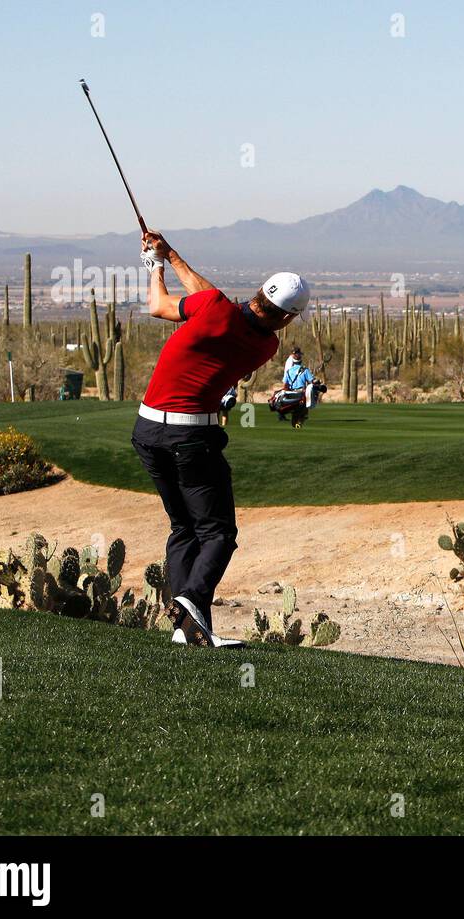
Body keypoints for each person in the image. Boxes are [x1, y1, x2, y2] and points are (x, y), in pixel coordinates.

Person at [133, 230, 308, 646]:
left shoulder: (214, 308)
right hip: (191, 437)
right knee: (218, 533)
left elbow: (160, 305)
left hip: (146, 430)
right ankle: (191, 599)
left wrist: (155, 263)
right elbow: (213, 301)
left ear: (258, 294)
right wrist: (170, 256)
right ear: (286, 317)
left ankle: (189, 630)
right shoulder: (265, 346)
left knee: (183, 528)